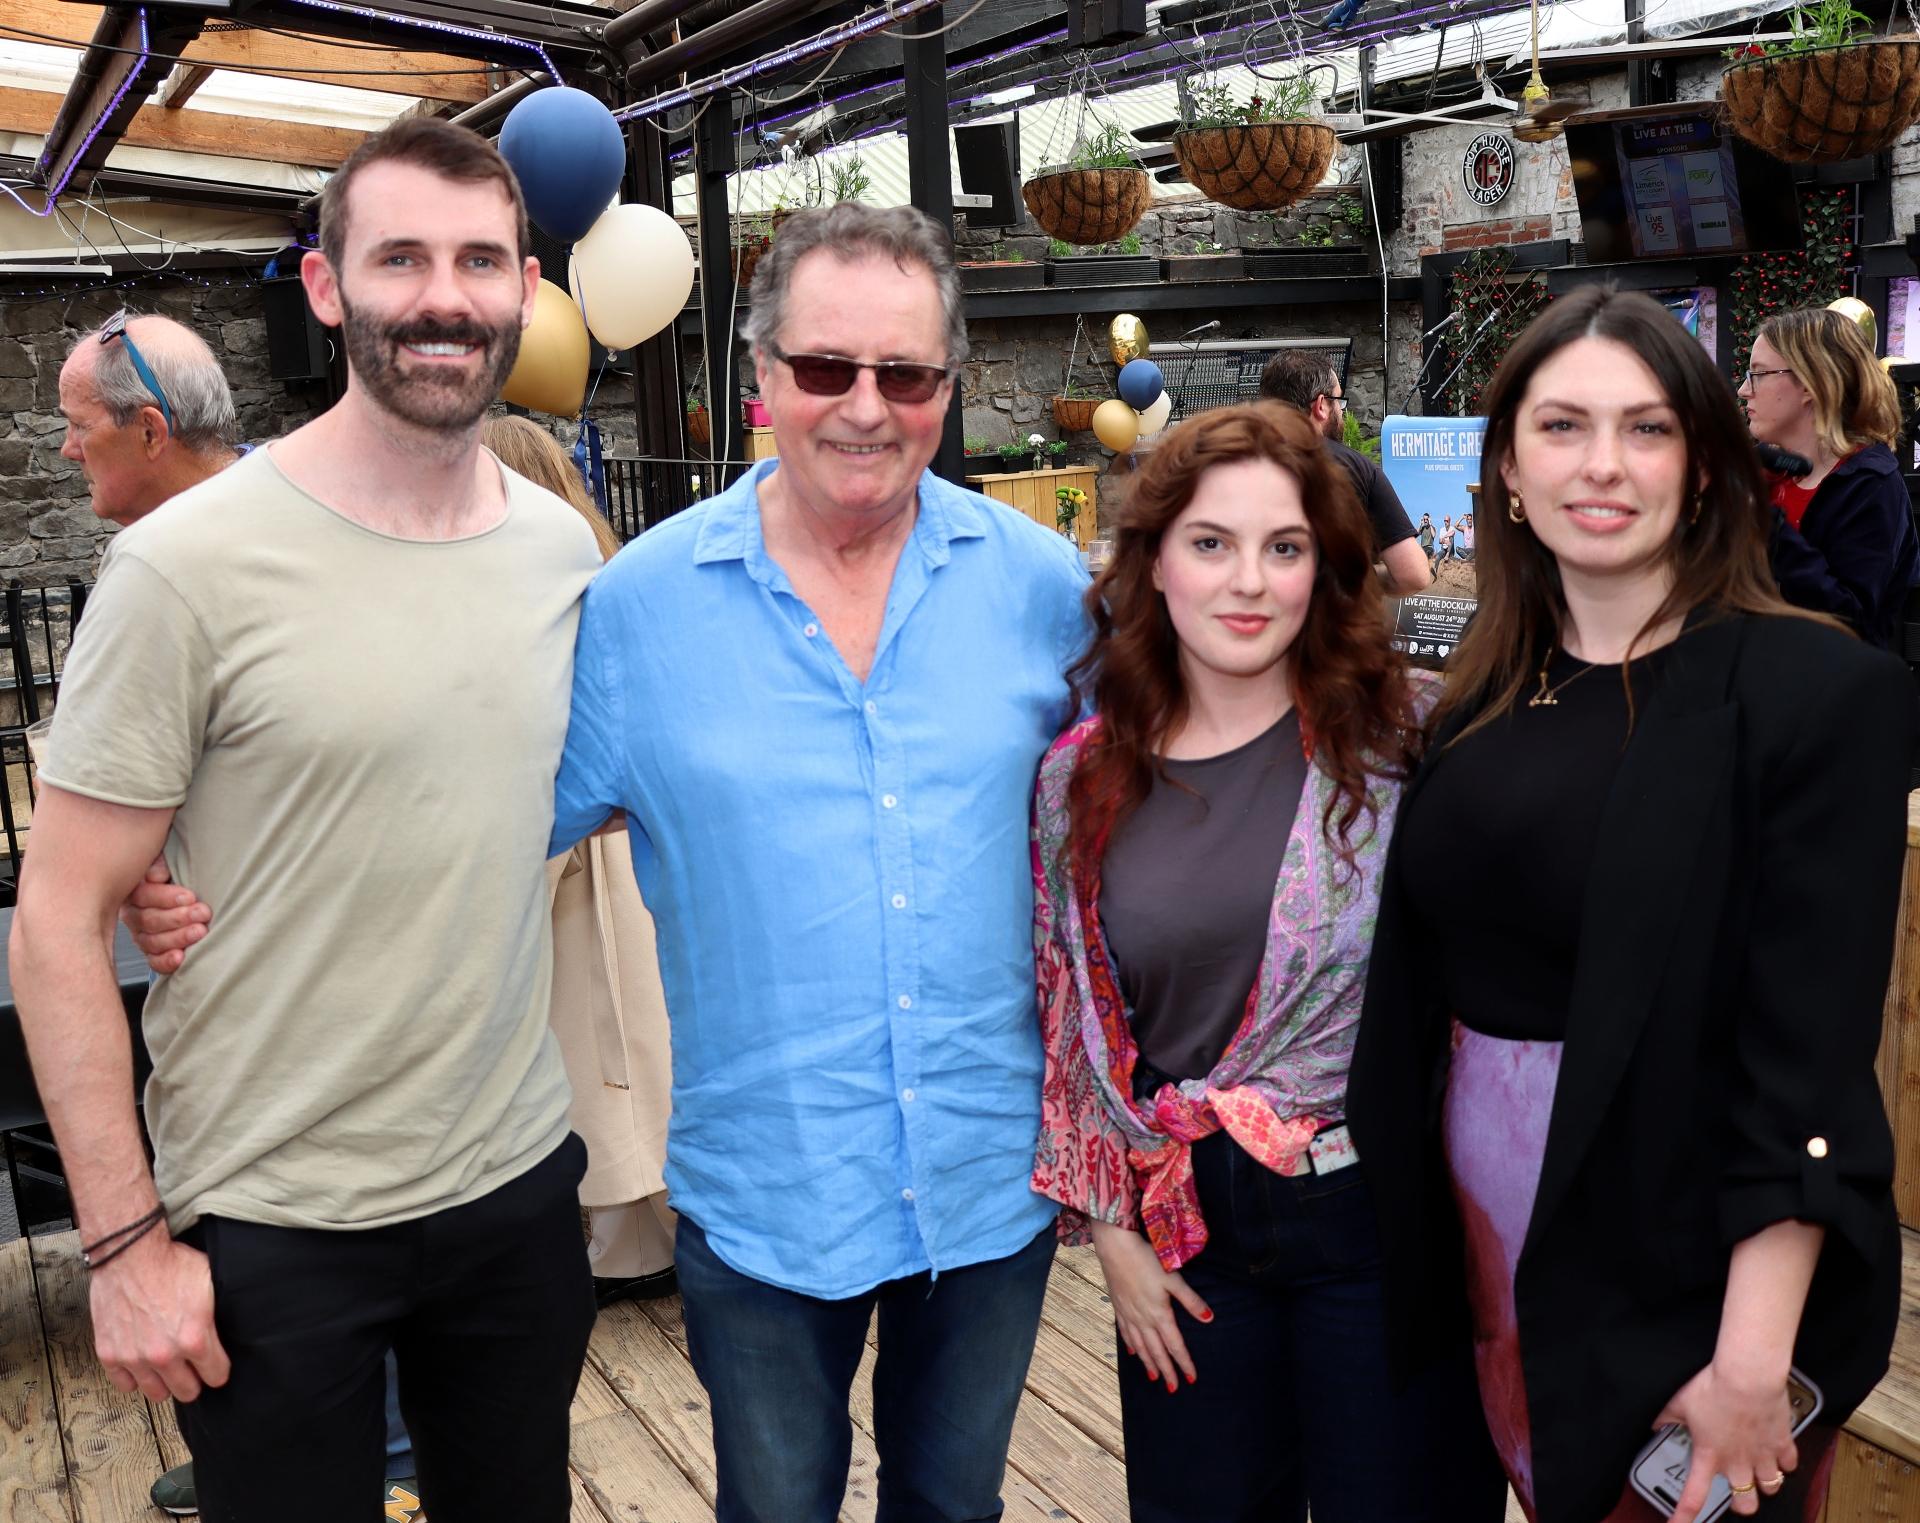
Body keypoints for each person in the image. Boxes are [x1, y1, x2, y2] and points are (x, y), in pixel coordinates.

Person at [12, 117, 601, 1523]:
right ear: (328, 287)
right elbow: (53, 919)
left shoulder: (556, 549)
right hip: (272, 1220)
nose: (443, 296)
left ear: (526, 285)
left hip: (515, 1186)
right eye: (399, 257)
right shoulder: (180, 567)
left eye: (476, 260)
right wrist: (120, 1243)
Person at [541, 201, 1088, 1523]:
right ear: (761, 384)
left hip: (987, 1174)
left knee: (954, 1504)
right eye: (825, 368)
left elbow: (1179, 788)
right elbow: (495, 832)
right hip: (767, 1187)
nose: (865, 405)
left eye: (904, 374)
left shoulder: (1045, 587)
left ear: (947, 390)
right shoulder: (637, 610)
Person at [1349, 286, 1912, 1523]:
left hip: (1690, 1271)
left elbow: (1805, 1060)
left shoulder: (1815, 694)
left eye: (1647, 428)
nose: (1602, 465)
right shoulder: (1488, 687)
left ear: (1706, 466)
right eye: (1562, 426)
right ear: (1504, 467)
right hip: (1492, 1259)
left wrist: (1754, 1359)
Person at [1029, 402, 1506, 1523]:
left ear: (1324, 570)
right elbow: (1070, 1022)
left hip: (1379, 1222)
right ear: (1152, 563)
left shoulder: (1408, 743)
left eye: (1283, 547)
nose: (1248, 580)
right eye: (1211, 542)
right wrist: (1112, 1238)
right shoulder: (1078, 780)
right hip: (1187, 1239)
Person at [51, 313, 422, 1520]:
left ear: (148, 432)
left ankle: (377, 1449)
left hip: (329, 1036)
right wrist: (150, 863)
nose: (64, 453)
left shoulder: (208, 557)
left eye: (76, 428)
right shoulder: (231, 543)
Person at [481, 413, 678, 1304]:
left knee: (590, 1043)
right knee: (634, 1038)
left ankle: (610, 1235)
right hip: (618, 855)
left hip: (566, 850)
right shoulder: (612, 588)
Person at [1739, 305, 1920, 649]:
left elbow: (1849, 623)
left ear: (1811, 383)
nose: (1744, 390)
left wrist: (1765, 523)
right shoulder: (1768, 475)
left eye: (1758, 374)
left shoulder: (1870, 485)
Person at [1258, 349, 1431, 594]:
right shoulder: (1356, 467)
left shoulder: (1226, 458)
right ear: (1320, 406)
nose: (1340, 410)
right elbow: (1413, 575)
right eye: (1338, 401)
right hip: (1329, 623)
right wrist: (1357, 575)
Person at [57, 312, 242, 529]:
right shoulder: (272, 504)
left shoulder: (157, 557)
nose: (68, 450)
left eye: (79, 426)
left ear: (150, 433)